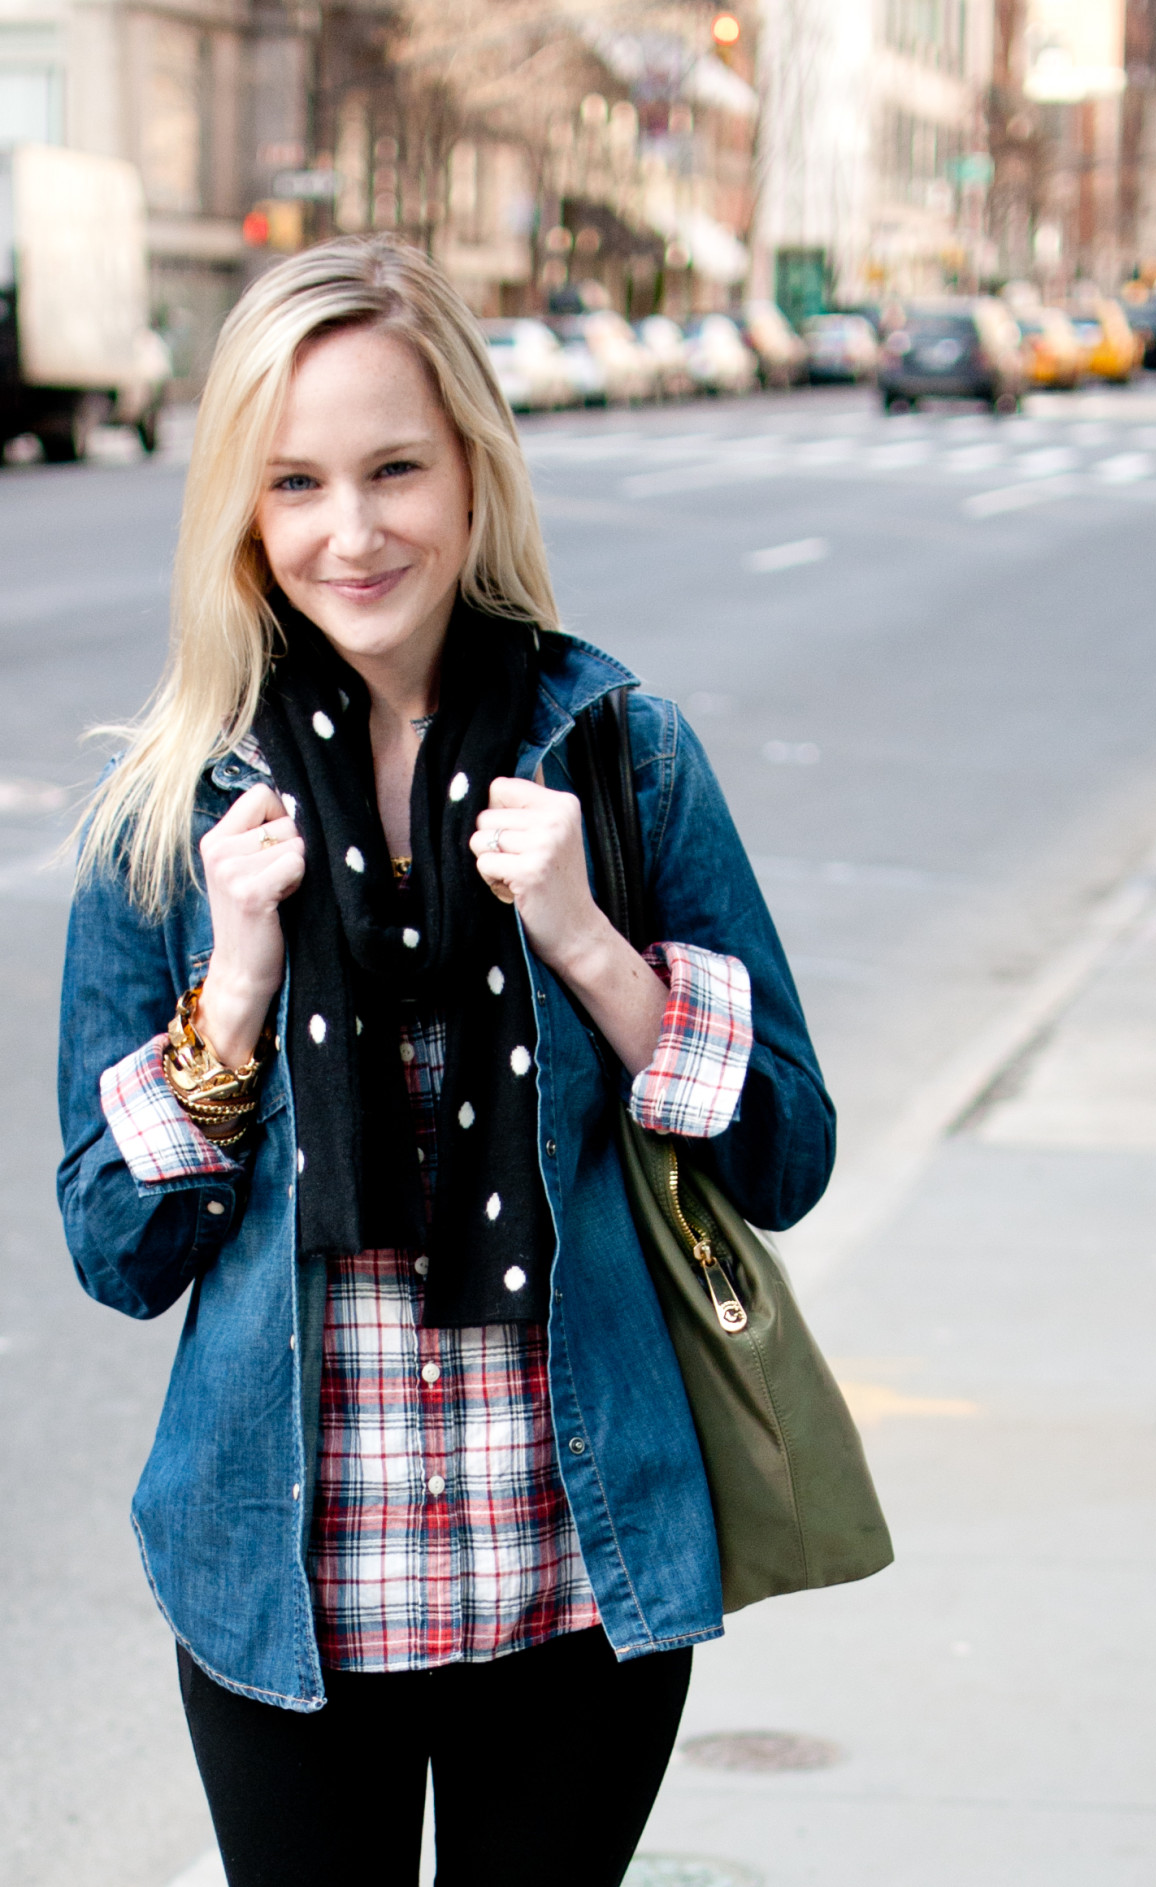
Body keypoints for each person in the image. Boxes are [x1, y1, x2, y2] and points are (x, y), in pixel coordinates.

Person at [57, 235, 835, 1887]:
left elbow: (784, 1153)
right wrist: (236, 988)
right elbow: (116, 1251)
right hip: (288, 1577)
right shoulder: (173, 815)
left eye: (394, 467)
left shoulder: (619, 755)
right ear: (242, 515)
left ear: (473, 468)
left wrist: (591, 948)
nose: (352, 532)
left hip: (571, 1564)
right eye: (296, 484)